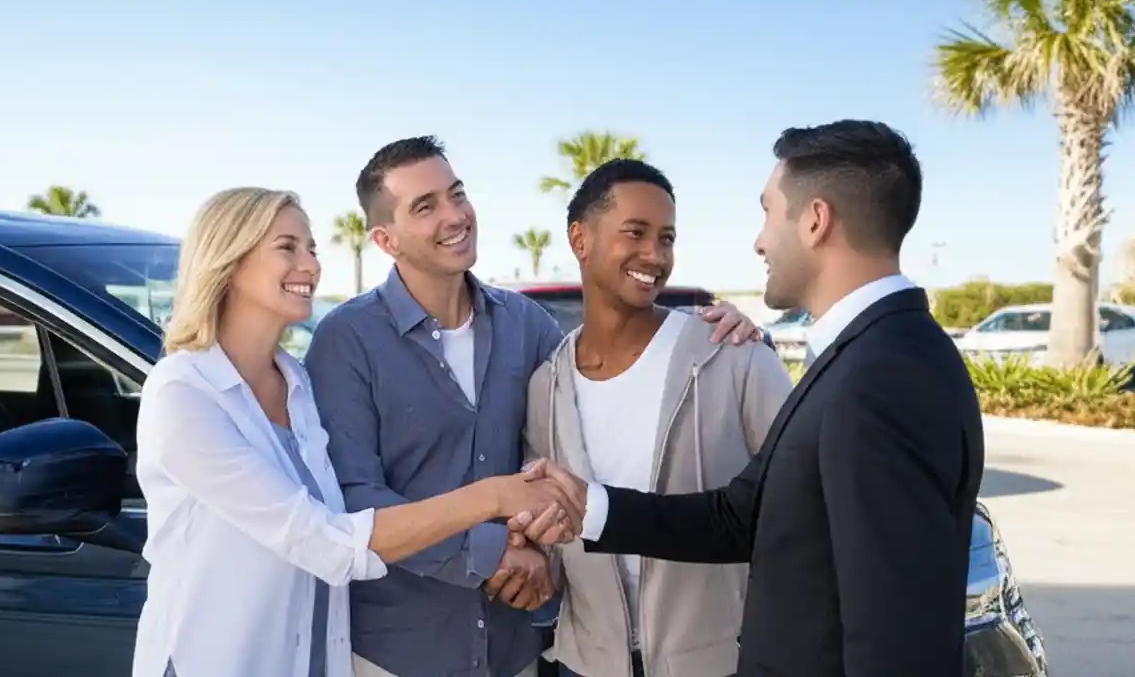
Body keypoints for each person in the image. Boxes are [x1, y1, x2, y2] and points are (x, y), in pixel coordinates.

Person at [512, 120, 985, 677]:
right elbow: (743, 516)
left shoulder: (886, 376)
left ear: (815, 221)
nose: (760, 240)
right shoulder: (863, 358)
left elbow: (897, 637)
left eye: (768, 212)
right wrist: (591, 506)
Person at [303, 136, 763, 677]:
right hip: (400, 654)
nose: (455, 216)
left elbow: (569, 429)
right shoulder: (346, 338)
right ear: (385, 238)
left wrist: (717, 325)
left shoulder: (528, 325)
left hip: (517, 648)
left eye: (457, 194)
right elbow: (356, 500)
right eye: (425, 207)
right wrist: (494, 550)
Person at [131, 187, 583, 677]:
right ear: (229, 260)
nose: (310, 265)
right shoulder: (183, 393)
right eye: (287, 247)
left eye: (312, 248)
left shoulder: (297, 383)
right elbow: (324, 539)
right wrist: (495, 497)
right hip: (217, 662)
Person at [519, 158, 794, 677]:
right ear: (580, 239)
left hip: (717, 663)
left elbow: (800, 510)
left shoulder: (733, 357)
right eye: (635, 233)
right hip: (585, 664)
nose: (655, 255)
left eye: (666, 238)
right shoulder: (545, 388)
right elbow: (551, 530)